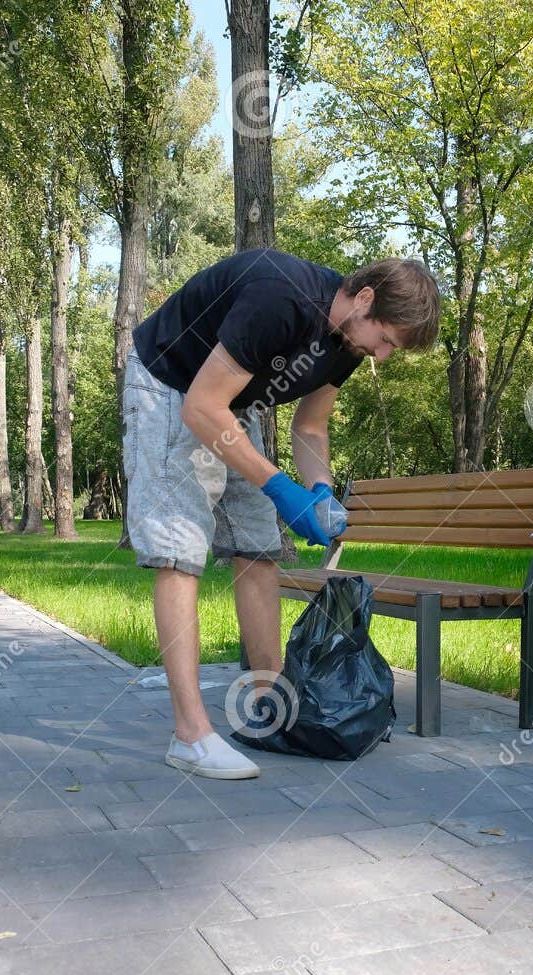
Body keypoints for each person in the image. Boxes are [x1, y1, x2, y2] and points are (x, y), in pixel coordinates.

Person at [123, 248, 440, 779]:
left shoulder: (347, 343)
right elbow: (200, 408)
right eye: (385, 340)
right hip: (168, 382)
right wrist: (280, 488)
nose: (382, 356)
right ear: (364, 300)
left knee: (259, 546)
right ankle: (191, 735)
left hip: (229, 402)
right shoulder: (281, 299)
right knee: (181, 550)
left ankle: (271, 705)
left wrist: (318, 490)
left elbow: (311, 428)